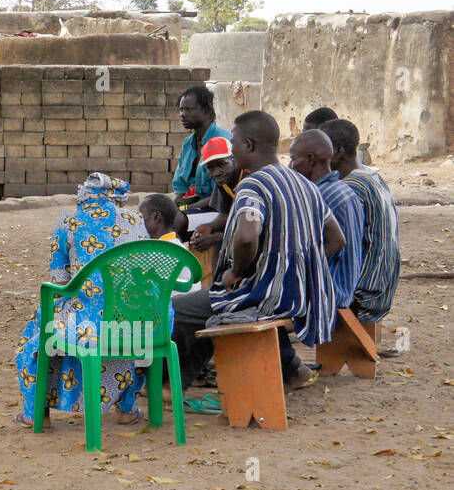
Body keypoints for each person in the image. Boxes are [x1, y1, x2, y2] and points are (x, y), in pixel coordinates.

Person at [170, 111, 344, 393]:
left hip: (267, 296)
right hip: (304, 295)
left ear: (248, 145)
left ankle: (170, 384)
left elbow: (247, 237)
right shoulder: (307, 186)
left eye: (234, 144)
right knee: (211, 302)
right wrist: (301, 269)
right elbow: (337, 239)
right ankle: (290, 370)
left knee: (180, 309)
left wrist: (236, 271)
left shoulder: (253, 184)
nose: (232, 150)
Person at [15, 173, 151, 429]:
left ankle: (37, 413)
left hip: (86, 325)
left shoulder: (70, 222)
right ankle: (126, 409)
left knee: (39, 333)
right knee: (110, 327)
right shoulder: (136, 220)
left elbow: (60, 280)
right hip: (134, 322)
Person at [320, 118, 401, 323]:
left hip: (363, 297)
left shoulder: (351, 188)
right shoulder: (371, 176)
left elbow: (340, 245)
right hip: (381, 288)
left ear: (337, 152)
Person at [290, 129, 364, 308]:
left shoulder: (319, 196)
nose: (290, 166)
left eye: (293, 159)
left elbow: (336, 243)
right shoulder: (343, 190)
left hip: (330, 292)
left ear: (310, 159)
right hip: (345, 287)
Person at [187, 137, 250, 252]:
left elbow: (250, 224)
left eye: (222, 164)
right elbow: (225, 213)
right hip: (243, 223)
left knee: (219, 238)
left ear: (233, 158)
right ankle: (217, 270)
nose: (216, 172)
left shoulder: (249, 179)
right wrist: (209, 226)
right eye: (210, 168)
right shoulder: (224, 180)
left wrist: (218, 238)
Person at [173, 85, 230, 209]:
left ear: (206, 110)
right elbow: (180, 187)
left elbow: (222, 195)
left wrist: (185, 210)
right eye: (181, 110)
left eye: (189, 109)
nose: (182, 114)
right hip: (196, 204)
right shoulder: (188, 143)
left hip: (218, 209)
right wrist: (172, 207)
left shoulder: (222, 141)